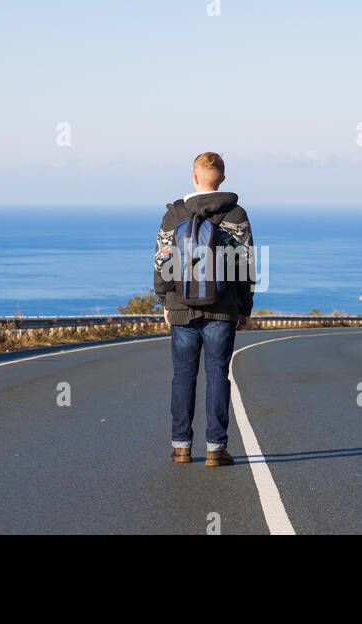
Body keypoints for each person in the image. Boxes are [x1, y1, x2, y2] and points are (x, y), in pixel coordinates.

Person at [153, 152, 254, 467]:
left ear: (194, 177)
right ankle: (215, 449)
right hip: (223, 309)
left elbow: (161, 261)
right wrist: (245, 308)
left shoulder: (174, 215)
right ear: (222, 178)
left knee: (182, 376)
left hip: (181, 306)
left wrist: (164, 300)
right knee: (217, 375)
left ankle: (181, 447)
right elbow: (246, 266)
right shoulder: (235, 214)